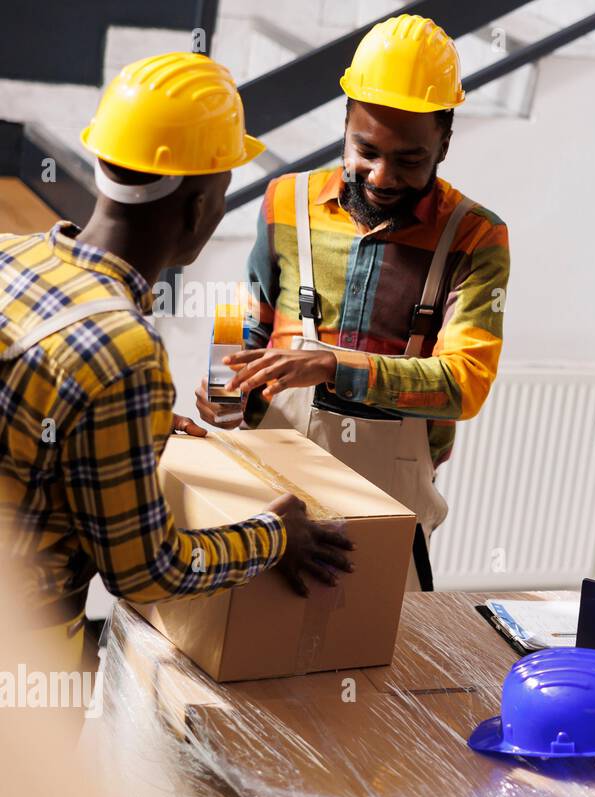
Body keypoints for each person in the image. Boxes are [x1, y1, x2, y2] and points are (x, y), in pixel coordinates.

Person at [0, 52, 352, 674]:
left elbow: (25, 417)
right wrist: (277, 537)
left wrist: (120, 429)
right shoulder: (127, 352)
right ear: (197, 209)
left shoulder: (11, 257)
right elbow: (143, 572)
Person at [195, 14, 510, 592]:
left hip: (388, 495)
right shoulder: (285, 200)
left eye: (410, 159)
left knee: (365, 664)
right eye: (365, 150)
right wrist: (220, 389)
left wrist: (333, 366)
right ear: (344, 123)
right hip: (270, 480)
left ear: (444, 141)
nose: (382, 176)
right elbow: (244, 318)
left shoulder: (474, 237)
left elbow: (465, 384)